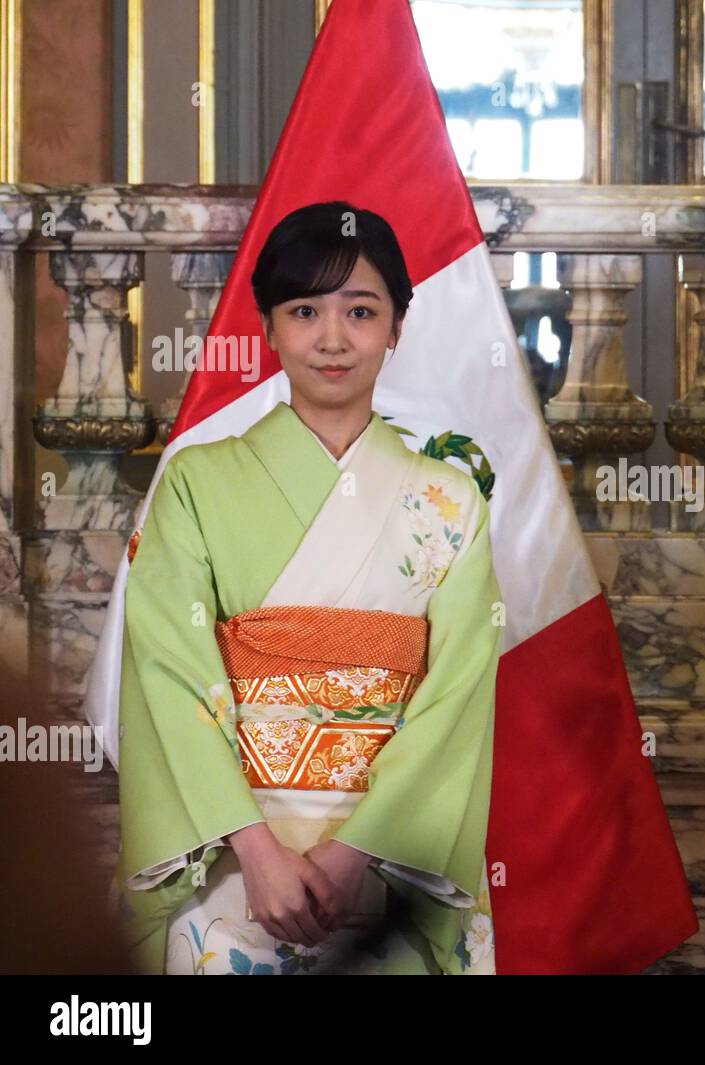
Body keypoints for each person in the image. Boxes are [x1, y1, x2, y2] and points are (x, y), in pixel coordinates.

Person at [113, 201, 501, 975]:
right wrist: (256, 849)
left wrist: (356, 849)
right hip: (235, 863)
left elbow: (458, 692)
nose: (332, 337)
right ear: (268, 326)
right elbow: (168, 673)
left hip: (387, 863)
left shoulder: (452, 500)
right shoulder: (195, 482)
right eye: (304, 310)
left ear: (397, 326)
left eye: (361, 310)